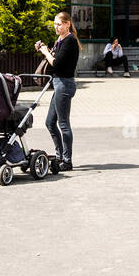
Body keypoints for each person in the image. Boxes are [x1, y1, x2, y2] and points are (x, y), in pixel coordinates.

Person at [35, 11, 79, 172]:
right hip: (58, 83)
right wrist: (43, 50)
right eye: (54, 24)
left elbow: (57, 64)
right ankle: (60, 156)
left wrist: (46, 52)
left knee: (63, 124)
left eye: (59, 24)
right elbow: (53, 58)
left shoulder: (70, 41)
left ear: (67, 24)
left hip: (65, 84)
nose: (56, 27)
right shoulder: (60, 41)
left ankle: (67, 161)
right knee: (49, 123)